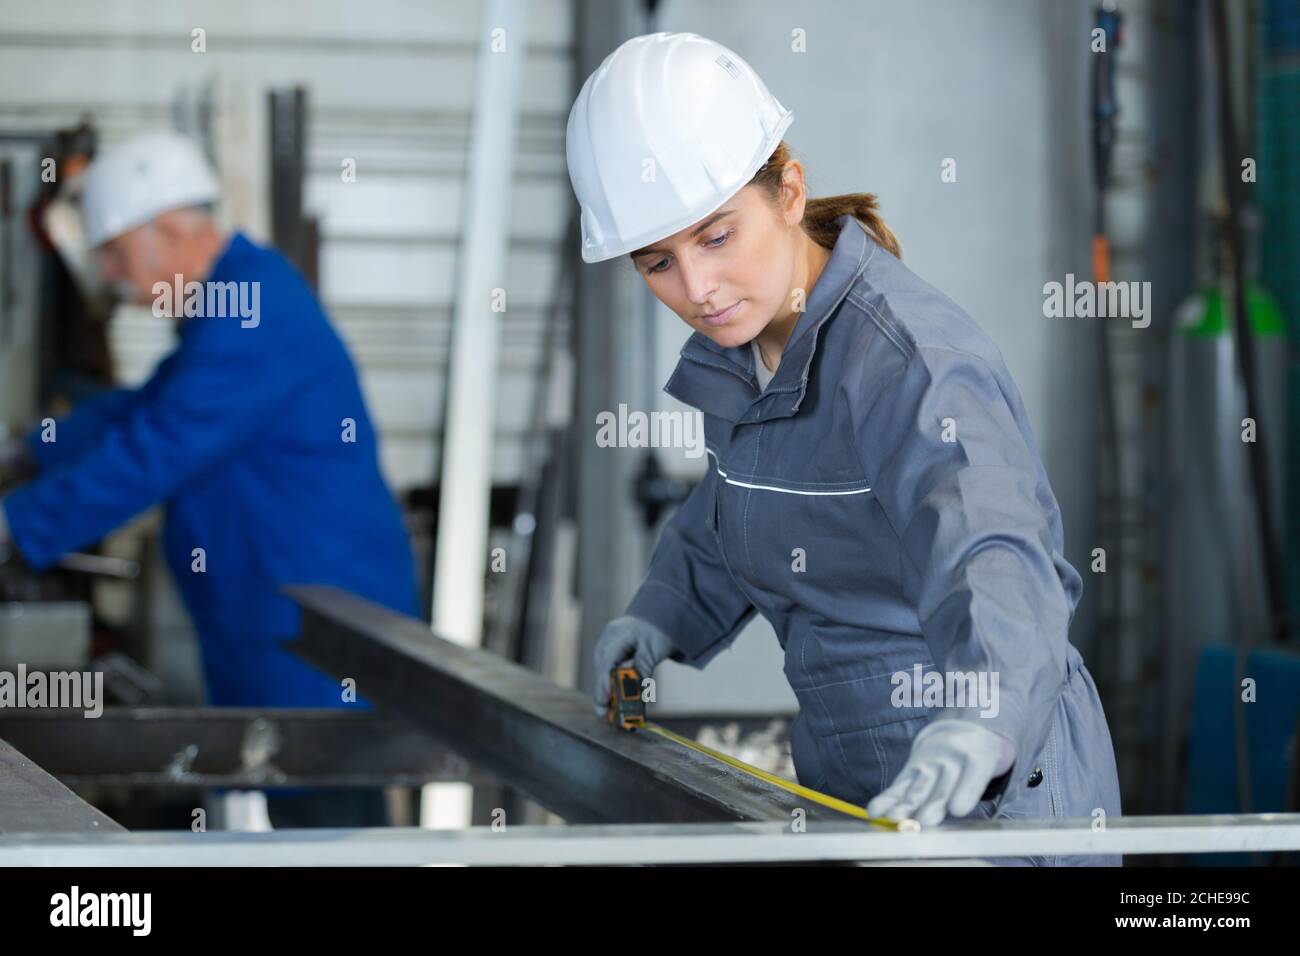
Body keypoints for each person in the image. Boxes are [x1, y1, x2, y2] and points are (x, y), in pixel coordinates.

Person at [570, 33, 1122, 866]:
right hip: (849, 781)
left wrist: (984, 715)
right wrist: (659, 614)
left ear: (789, 191)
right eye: (658, 263)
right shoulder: (744, 352)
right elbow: (741, 503)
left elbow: (995, 555)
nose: (697, 291)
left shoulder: (912, 363)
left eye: (716, 238)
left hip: (994, 794)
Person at [0, 131, 418, 828]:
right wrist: (27, 451)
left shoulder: (252, 309)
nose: (112, 278)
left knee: (330, 827)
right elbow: (144, 409)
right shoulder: (232, 300)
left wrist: (16, 525)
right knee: (281, 820)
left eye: (117, 253)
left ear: (167, 229)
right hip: (275, 623)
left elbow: (156, 449)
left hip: (315, 640)